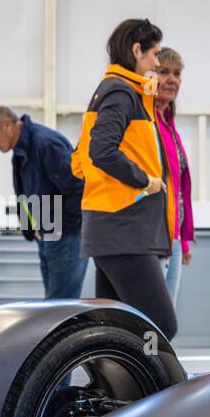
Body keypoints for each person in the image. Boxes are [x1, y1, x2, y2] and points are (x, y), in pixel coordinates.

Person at [71, 17, 177, 340]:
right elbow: (99, 150)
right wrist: (145, 179)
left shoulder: (119, 91)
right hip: (123, 227)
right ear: (136, 49)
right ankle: (156, 391)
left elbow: (79, 161)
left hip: (115, 228)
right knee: (159, 327)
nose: (157, 63)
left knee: (117, 328)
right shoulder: (120, 91)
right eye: (154, 54)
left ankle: (115, 391)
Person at [0, 105, 85, 299]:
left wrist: (63, 228)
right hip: (50, 236)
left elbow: (78, 188)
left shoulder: (46, 144)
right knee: (53, 305)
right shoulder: (23, 150)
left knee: (60, 308)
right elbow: (27, 194)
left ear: (6, 125)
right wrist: (34, 228)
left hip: (66, 237)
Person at [153, 47, 194, 305]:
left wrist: (184, 239)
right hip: (153, 236)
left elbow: (180, 189)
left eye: (177, 74)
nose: (172, 79)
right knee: (154, 317)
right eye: (164, 72)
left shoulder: (169, 124)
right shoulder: (147, 122)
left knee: (168, 318)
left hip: (174, 236)